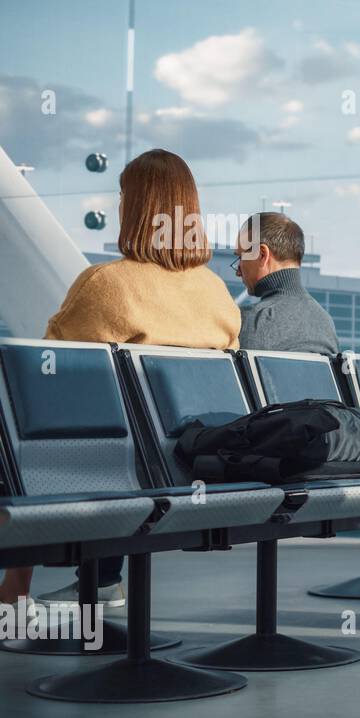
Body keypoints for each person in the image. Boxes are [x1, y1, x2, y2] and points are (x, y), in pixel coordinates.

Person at [0, 149, 240, 610]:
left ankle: (15, 592)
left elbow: (49, 367)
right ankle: (91, 582)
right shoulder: (216, 292)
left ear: (134, 209)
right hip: (192, 465)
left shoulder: (109, 283)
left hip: (121, 468)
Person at [233, 212, 339, 355]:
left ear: (262, 255)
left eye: (240, 257)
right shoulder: (325, 322)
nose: (238, 271)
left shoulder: (251, 321)